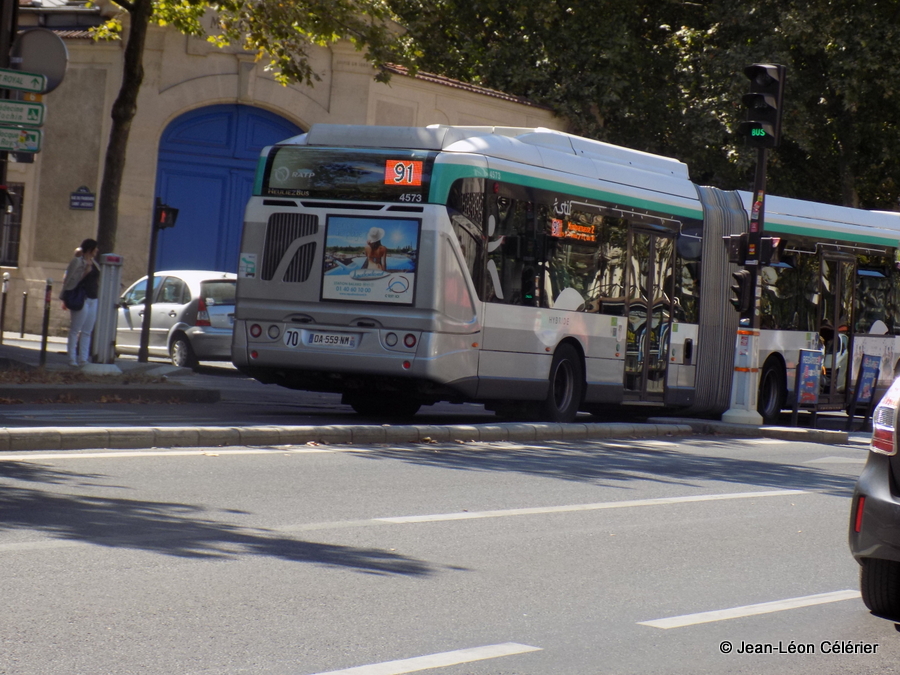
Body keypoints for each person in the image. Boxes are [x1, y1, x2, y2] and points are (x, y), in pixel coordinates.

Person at [61, 238, 100, 367]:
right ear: (90, 249)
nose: (97, 251)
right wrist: (85, 273)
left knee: (87, 331)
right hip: (81, 298)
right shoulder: (78, 262)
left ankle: (83, 359)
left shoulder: (94, 263)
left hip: (93, 298)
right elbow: (69, 281)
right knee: (75, 329)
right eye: (95, 248)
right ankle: (72, 358)